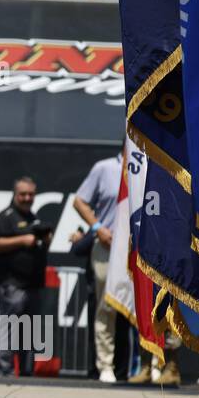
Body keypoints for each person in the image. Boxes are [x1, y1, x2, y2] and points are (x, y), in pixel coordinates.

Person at [0, 176, 52, 377]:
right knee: (9, 327)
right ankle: (4, 370)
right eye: (23, 194)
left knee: (30, 331)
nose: (27, 198)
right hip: (12, 283)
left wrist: (45, 240)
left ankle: (26, 371)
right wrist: (22, 240)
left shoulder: (36, 219)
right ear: (15, 194)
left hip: (33, 284)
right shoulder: (4, 217)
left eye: (31, 194)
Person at [72, 151, 122, 382]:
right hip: (107, 246)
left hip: (139, 249)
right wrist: (98, 228)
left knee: (142, 308)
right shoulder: (104, 168)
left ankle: (149, 365)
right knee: (105, 306)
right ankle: (105, 365)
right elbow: (79, 201)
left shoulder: (151, 166)